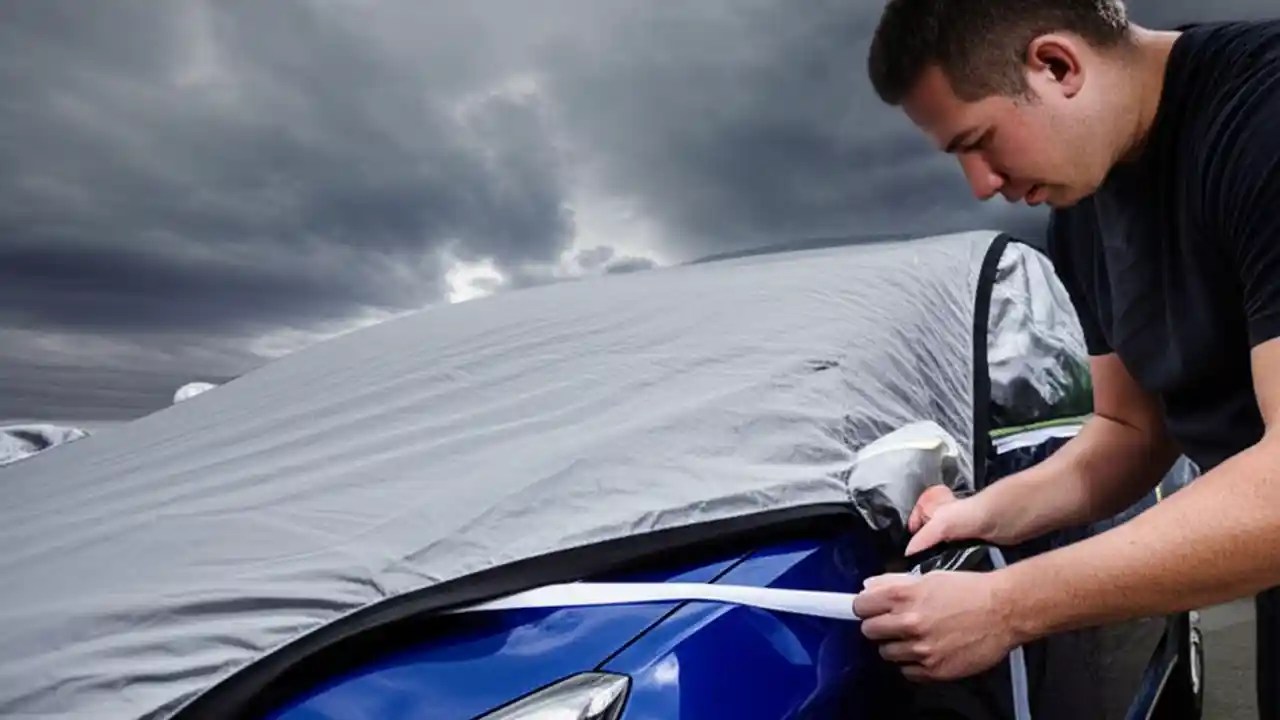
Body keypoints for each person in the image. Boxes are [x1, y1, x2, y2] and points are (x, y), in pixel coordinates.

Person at [854, 0, 1280, 715]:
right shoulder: (1083, 207)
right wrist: (986, 515)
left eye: (980, 141)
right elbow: (1129, 431)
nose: (981, 186)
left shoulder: (1262, 123)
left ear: (1057, 65)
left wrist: (1008, 606)